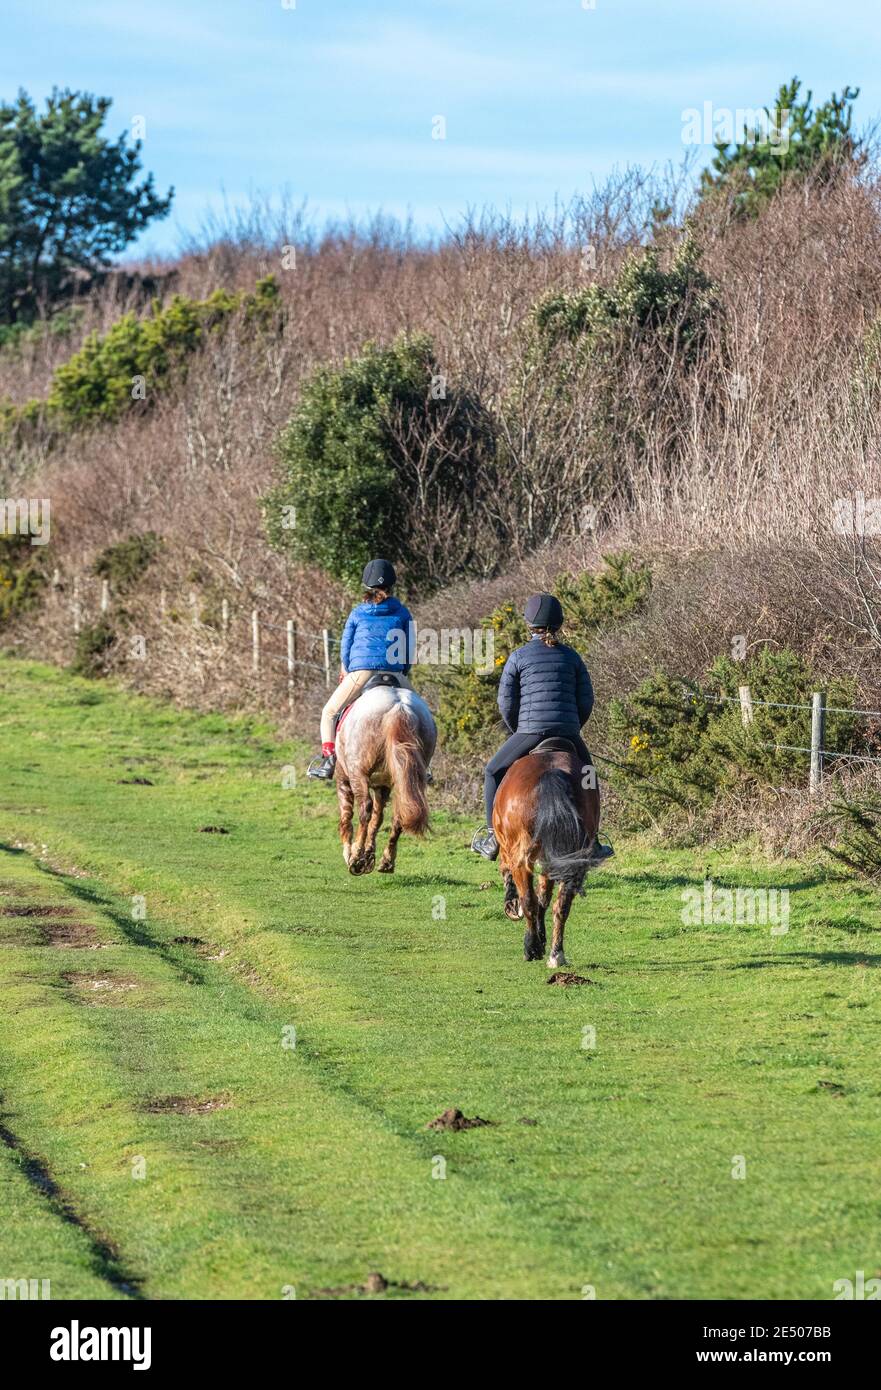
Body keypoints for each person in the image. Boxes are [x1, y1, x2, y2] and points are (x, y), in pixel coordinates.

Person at [470, 592, 614, 861]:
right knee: (590, 775)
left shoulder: (518, 657)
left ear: (529, 624)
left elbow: (505, 702)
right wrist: (571, 727)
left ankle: (491, 837)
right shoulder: (572, 658)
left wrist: (520, 730)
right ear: (559, 624)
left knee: (492, 770)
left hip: (529, 732)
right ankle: (593, 840)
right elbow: (586, 701)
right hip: (568, 732)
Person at [308, 558, 415, 781]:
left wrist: (346, 671)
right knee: (418, 715)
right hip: (395, 674)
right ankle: (423, 766)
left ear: (366, 585)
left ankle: (328, 761)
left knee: (329, 712)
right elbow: (409, 651)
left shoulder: (357, 613)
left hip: (362, 673)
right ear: (392, 585)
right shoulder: (403, 613)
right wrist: (402, 672)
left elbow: (345, 648)